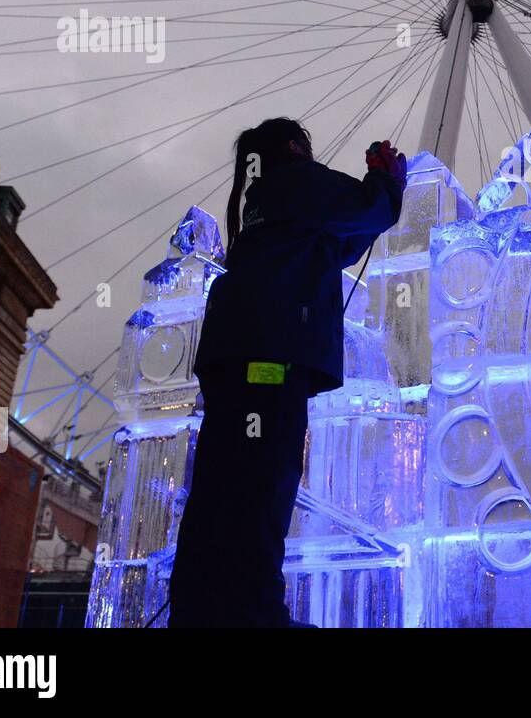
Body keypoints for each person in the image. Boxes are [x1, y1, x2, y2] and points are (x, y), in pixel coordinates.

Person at [168, 117, 406, 627]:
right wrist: (386, 180)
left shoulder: (261, 202)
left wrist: (377, 195)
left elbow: (336, 242)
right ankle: (256, 615)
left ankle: (198, 612)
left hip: (234, 359)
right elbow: (369, 211)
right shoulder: (299, 179)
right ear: (296, 146)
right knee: (263, 485)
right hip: (270, 361)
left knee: (218, 489)